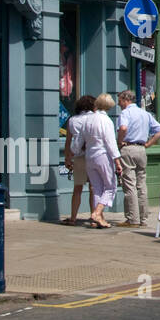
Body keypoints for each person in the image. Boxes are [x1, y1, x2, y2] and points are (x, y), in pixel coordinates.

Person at [116, 89, 160, 228]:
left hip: (129, 148)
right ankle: (143, 218)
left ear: (126, 100)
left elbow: (123, 128)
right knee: (141, 184)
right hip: (141, 149)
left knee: (129, 184)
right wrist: (149, 143)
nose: (119, 104)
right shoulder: (145, 113)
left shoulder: (125, 113)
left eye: (120, 100)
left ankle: (133, 218)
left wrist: (120, 141)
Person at [73, 94, 122, 229]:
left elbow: (78, 142)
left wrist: (74, 152)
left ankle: (97, 219)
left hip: (89, 156)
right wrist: (117, 161)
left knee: (97, 189)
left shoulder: (88, 120)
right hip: (103, 156)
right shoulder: (106, 121)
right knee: (111, 187)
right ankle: (97, 212)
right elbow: (111, 143)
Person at [61, 95, 97, 225]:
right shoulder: (95, 118)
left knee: (77, 188)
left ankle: (73, 218)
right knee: (93, 188)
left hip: (78, 156)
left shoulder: (72, 120)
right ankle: (94, 217)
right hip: (93, 155)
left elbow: (68, 141)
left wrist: (67, 158)